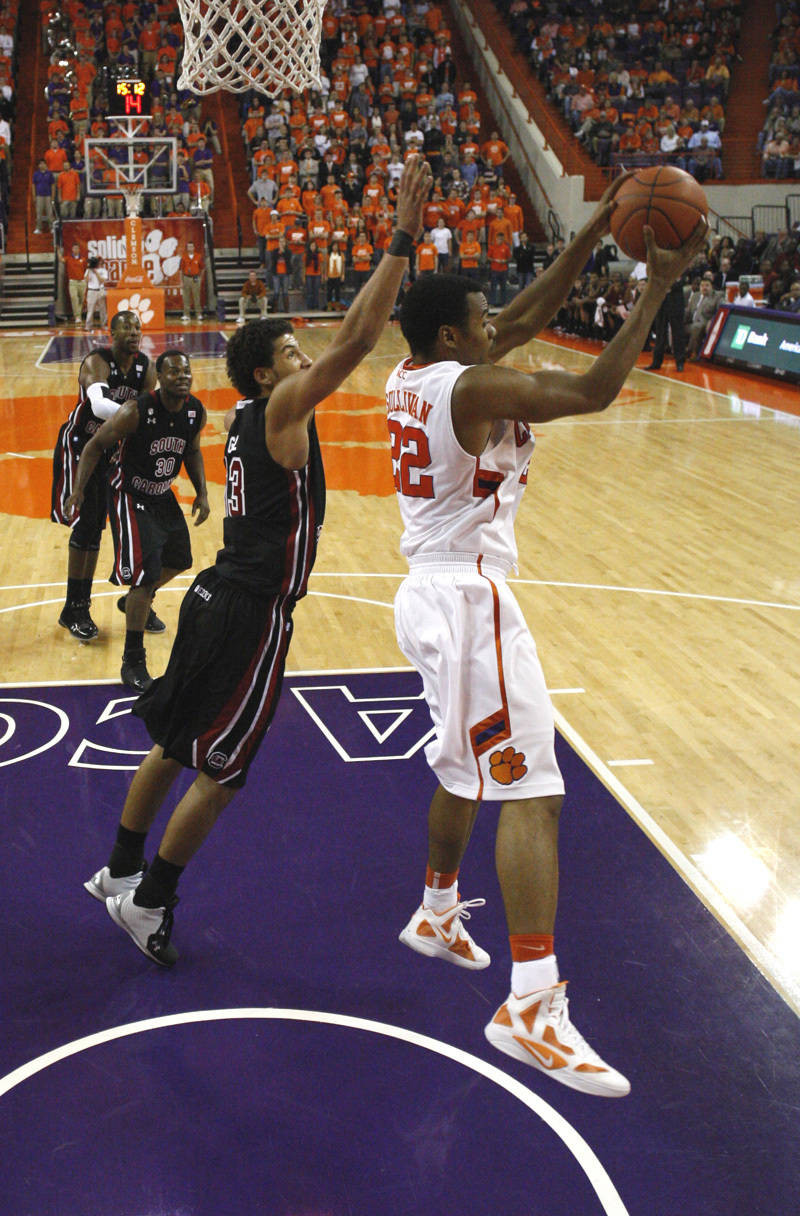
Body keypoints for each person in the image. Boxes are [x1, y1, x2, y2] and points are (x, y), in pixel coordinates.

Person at [386, 190, 706, 1097]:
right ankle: (530, 1003)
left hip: (428, 592)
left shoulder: (416, 370)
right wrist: (655, 284)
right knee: (536, 791)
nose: (500, 325)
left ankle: (436, 909)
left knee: (464, 768)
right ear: (454, 337)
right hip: (469, 600)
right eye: (482, 320)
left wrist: (593, 231)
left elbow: (523, 315)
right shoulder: (472, 386)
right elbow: (594, 392)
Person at [79, 155, 431, 967]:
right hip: (253, 609)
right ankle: (149, 901)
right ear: (269, 372)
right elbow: (359, 338)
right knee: (224, 771)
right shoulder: (280, 407)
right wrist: (401, 236)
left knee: (173, 741)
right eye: (295, 352)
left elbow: (339, 341)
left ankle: (119, 868)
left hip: (216, 593)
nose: (309, 359)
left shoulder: (244, 412)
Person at [65, 351, 210, 690]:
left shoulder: (195, 411)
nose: (182, 376)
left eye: (186, 370)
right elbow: (94, 446)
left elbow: (192, 451)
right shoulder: (136, 411)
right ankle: (132, 661)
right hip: (129, 495)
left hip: (162, 494)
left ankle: (134, 602)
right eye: (173, 371)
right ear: (159, 377)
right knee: (144, 577)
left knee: (180, 559)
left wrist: (202, 492)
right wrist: (79, 490)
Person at [51, 312, 157, 641]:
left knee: (120, 526)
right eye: (126, 328)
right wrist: (143, 419)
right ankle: (74, 607)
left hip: (113, 449)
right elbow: (99, 407)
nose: (134, 333)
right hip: (82, 446)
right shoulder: (97, 362)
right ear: (112, 333)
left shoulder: (145, 367)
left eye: (137, 327)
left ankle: (134, 599)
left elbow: (147, 407)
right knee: (86, 525)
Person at [645, 277, 687, 371]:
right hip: (662, 303)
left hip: (676, 303)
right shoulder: (661, 269)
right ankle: (656, 362)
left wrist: (665, 285)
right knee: (660, 333)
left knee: (678, 334)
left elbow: (681, 282)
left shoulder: (679, 269)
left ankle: (680, 362)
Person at [62, 241, 87, 323]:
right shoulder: (68, 258)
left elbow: (86, 269)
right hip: (73, 282)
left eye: (77, 248)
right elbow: (61, 260)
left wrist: (85, 279)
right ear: (72, 249)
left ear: (79, 249)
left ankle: (78, 315)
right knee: (74, 298)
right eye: (74, 248)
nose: (75, 250)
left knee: (81, 300)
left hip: (82, 282)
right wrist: (58, 251)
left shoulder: (83, 259)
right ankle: (77, 316)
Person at [180, 240, 204, 324]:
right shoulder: (184, 257)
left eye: (191, 246)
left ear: (194, 248)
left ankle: (198, 314)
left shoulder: (198, 256)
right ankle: (186, 314)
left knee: (196, 296)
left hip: (195, 278)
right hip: (186, 278)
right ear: (187, 248)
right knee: (186, 297)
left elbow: (202, 268)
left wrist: (200, 277)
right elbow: (181, 270)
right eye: (188, 247)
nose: (190, 248)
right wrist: (181, 281)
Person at [84, 256, 109, 331]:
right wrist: (89, 270)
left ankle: (104, 324)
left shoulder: (103, 271)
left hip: (100, 290)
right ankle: (88, 325)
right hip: (91, 291)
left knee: (103, 309)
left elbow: (102, 281)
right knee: (90, 309)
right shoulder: (88, 270)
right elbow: (86, 280)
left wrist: (96, 272)